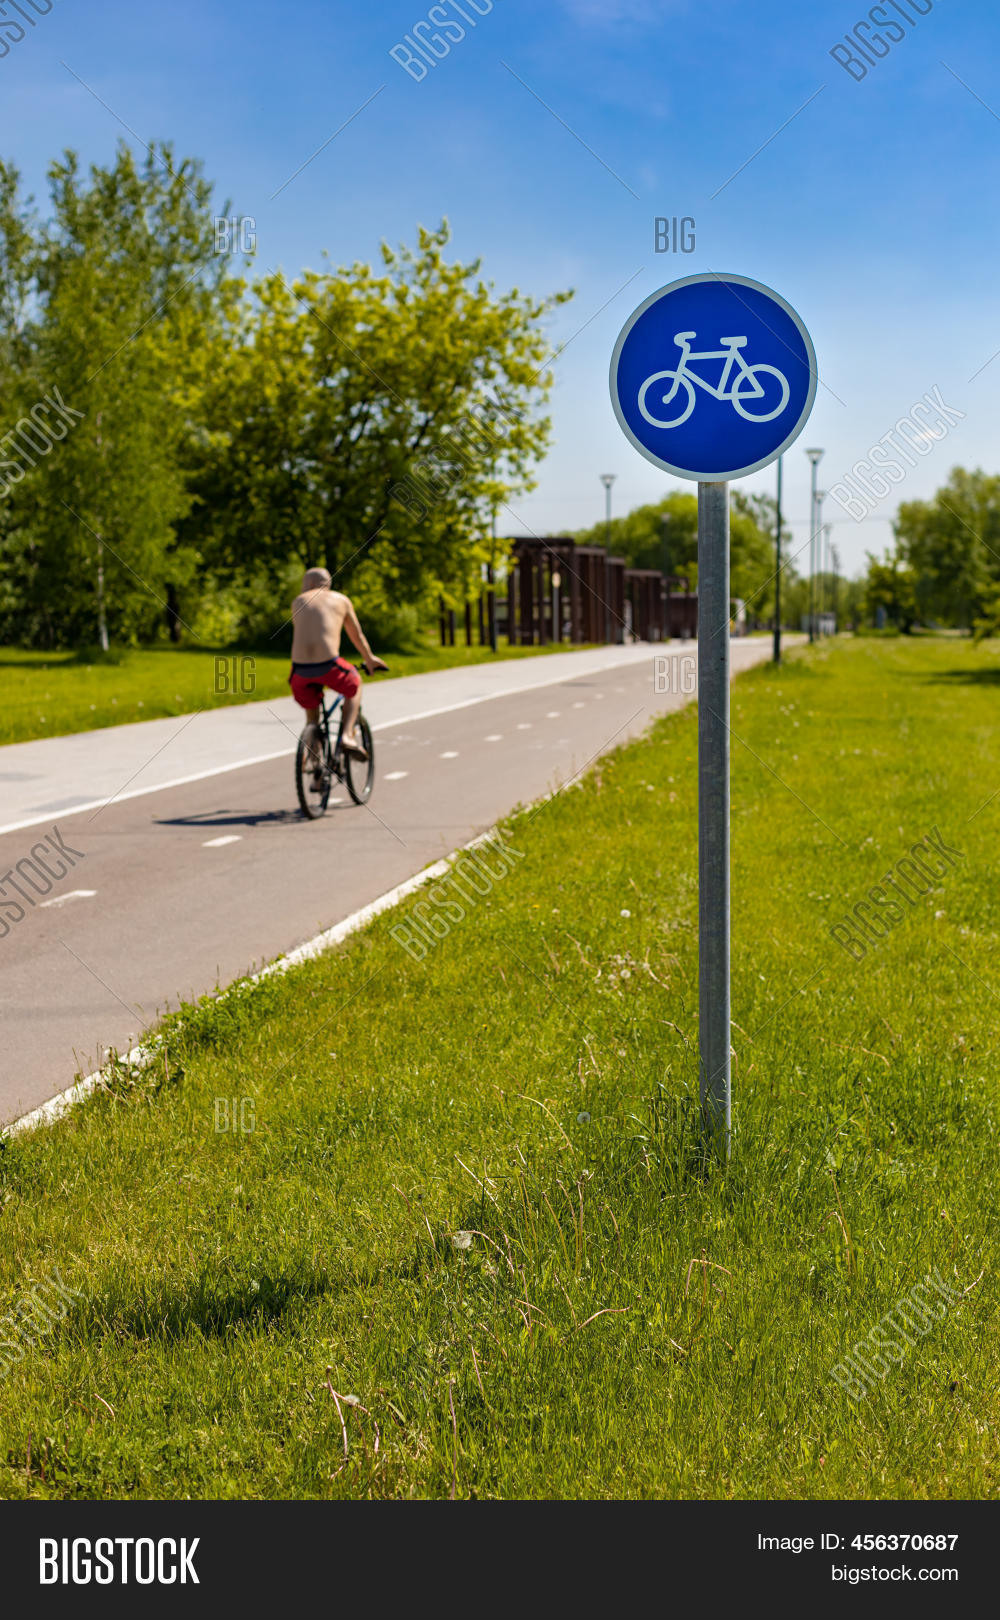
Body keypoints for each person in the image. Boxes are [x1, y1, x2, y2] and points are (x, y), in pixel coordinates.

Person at [288, 567, 387, 789]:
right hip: (329, 666)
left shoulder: (297, 602)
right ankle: (348, 736)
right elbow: (356, 635)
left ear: (308, 583)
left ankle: (316, 773)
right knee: (354, 684)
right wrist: (369, 659)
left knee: (312, 721)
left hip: (299, 671)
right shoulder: (341, 600)